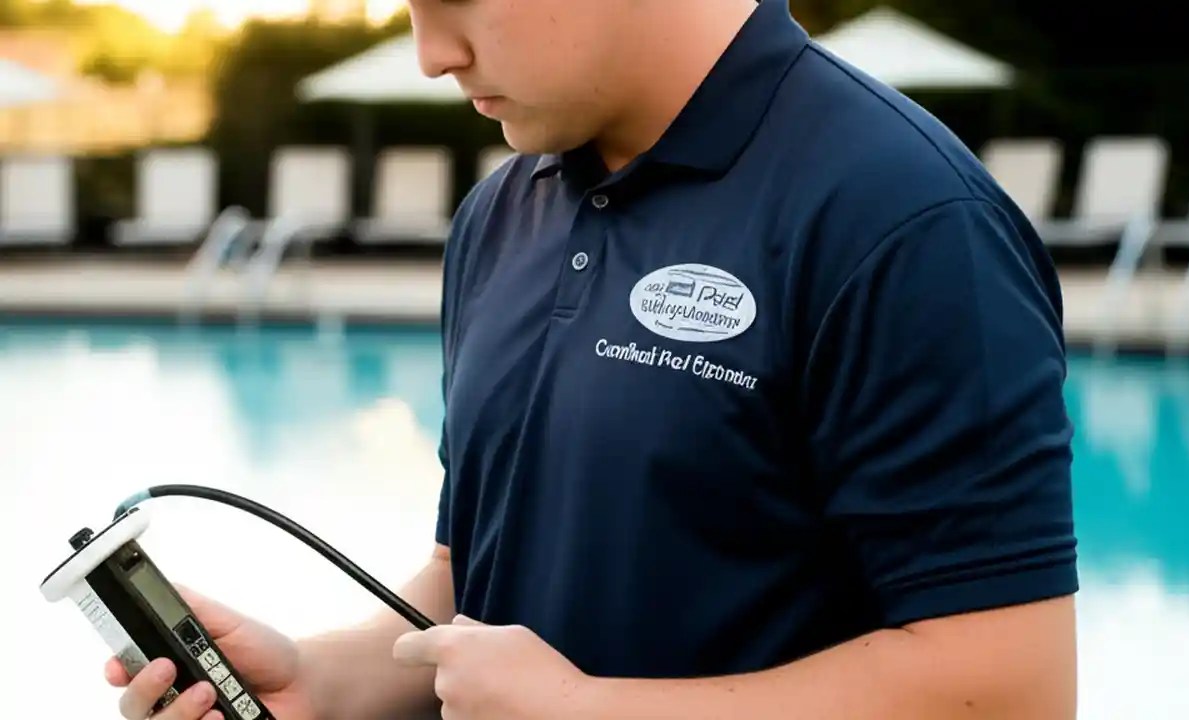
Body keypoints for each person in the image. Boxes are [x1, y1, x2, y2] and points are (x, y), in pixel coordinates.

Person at [107, 0, 1080, 718]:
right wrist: (323, 680)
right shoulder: (499, 214)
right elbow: (474, 570)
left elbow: (1005, 688)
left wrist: (591, 709)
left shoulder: (902, 220)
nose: (429, 54)